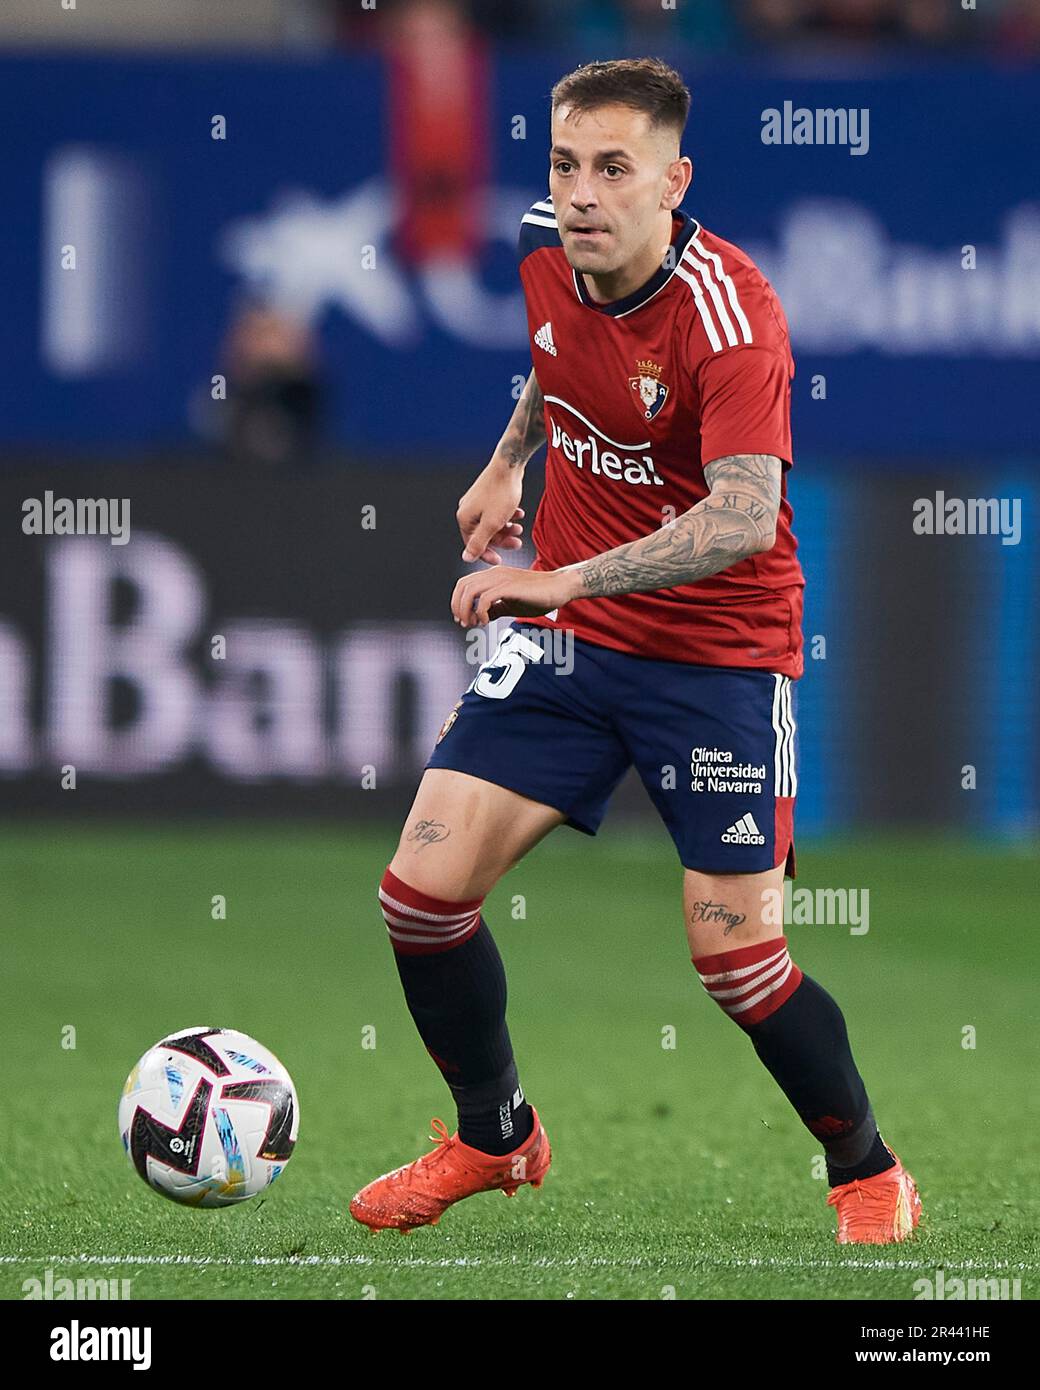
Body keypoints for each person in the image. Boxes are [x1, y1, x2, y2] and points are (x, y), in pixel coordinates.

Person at [350, 57, 921, 1245]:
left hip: (716, 655)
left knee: (737, 961)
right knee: (419, 894)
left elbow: (740, 516)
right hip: (570, 644)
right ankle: (493, 1135)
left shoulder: (731, 313)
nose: (581, 194)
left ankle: (865, 1166)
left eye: (613, 169)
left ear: (674, 182)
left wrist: (557, 574)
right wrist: (509, 460)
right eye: (565, 163)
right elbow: (556, 360)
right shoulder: (540, 245)